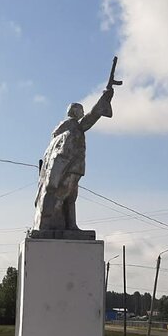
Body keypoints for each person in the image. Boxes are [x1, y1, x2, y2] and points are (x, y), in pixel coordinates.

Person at [33, 85, 114, 232]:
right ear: (75, 112)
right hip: (67, 170)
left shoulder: (72, 128)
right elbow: (59, 156)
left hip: (74, 169)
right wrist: (104, 98)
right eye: (81, 110)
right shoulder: (71, 129)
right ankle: (47, 225)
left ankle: (70, 225)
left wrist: (105, 97)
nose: (83, 112)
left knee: (71, 198)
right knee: (61, 196)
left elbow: (91, 117)